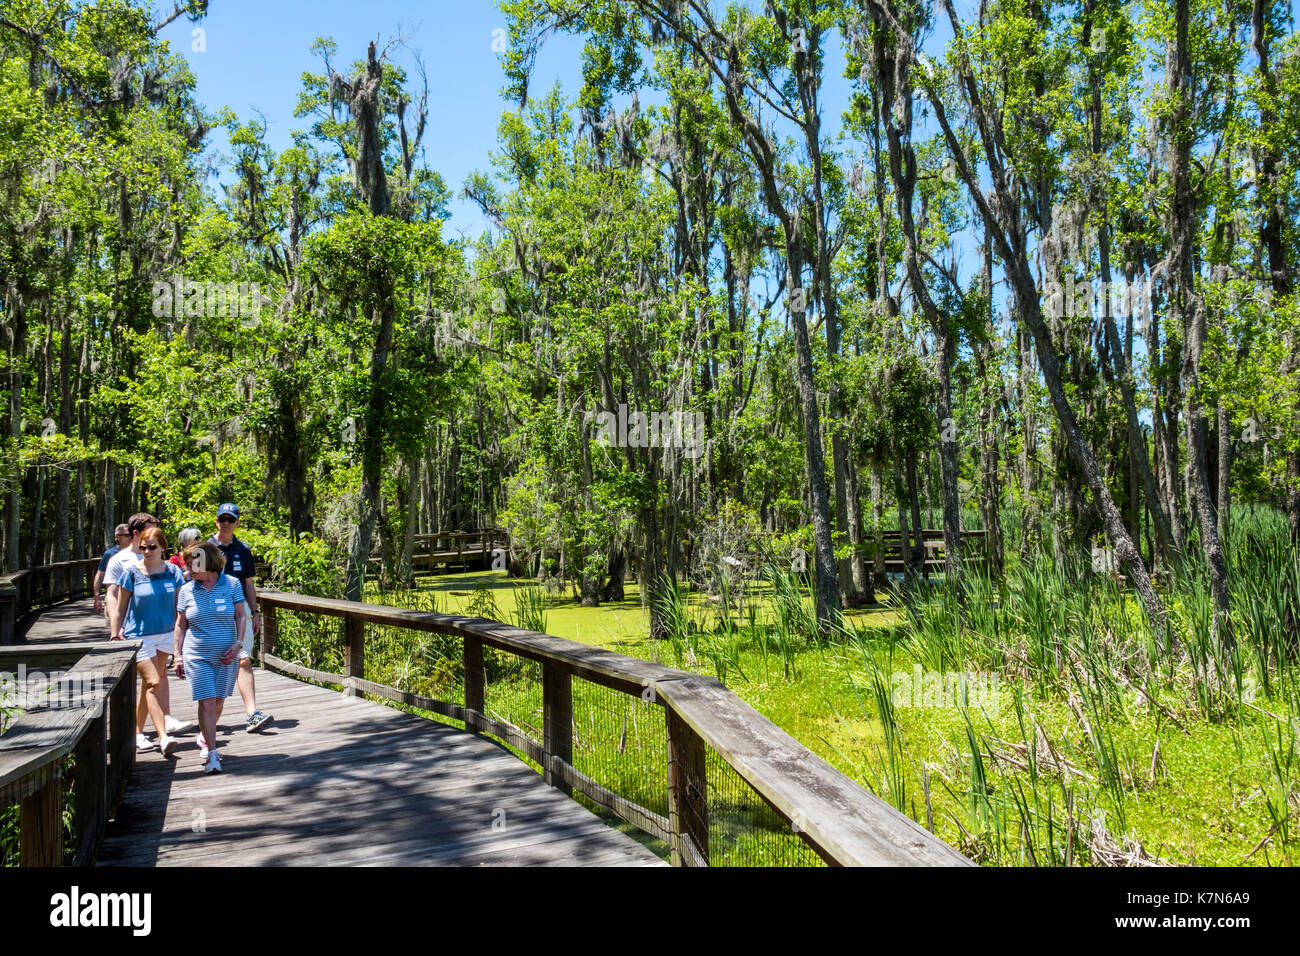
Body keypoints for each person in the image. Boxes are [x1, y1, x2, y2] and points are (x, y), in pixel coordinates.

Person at [103, 513, 194, 744]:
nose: (147, 551)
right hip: (139, 636)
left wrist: (182, 635)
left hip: (165, 634)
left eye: (152, 547)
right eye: (143, 547)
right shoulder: (131, 572)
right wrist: (115, 634)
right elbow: (120, 607)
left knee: (150, 683)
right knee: (153, 682)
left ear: (162, 547)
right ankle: (163, 736)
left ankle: (136, 732)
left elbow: (179, 606)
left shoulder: (173, 572)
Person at [174, 541, 247, 773]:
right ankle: (212, 753)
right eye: (188, 565)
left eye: (193, 564)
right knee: (205, 700)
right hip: (197, 655)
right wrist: (177, 656)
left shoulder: (232, 584)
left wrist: (238, 645)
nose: (189, 569)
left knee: (217, 701)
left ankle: (205, 735)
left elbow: (240, 616)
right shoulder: (186, 590)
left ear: (209, 563)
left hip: (226, 655)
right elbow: (180, 625)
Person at [210, 504, 272, 732]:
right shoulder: (204, 549)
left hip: (240, 612)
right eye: (222, 518)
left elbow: (248, 584)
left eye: (230, 519)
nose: (225, 522)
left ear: (237, 523)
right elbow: (194, 582)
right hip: (213, 613)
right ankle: (209, 723)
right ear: (216, 521)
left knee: (244, 659)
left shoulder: (243, 550)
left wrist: (255, 613)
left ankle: (252, 714)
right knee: (219, 663)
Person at [93, 524, 131, 618]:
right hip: (115, 599)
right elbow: (100, 576)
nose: (130, 537)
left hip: (133, 601)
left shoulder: (139, 552)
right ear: (117, 537)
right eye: (126, 535)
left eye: (131, 534)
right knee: (115, 629)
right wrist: (97, 598)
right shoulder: (110, 554)